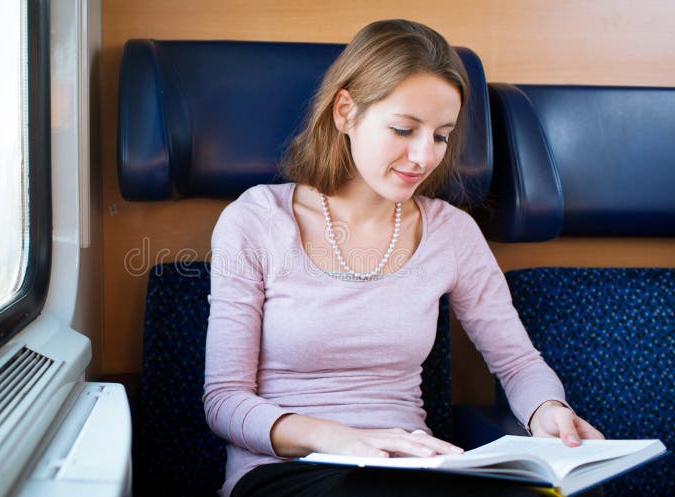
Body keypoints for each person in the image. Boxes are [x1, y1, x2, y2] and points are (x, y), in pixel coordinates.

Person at [203, 19, 604, 497]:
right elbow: (224, 402)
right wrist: (342, 439)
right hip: (287, 470)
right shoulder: (254, 220)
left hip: (410, 469)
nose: (423, 156)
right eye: (403, 129)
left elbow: (517, 363)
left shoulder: (451, 232)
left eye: (441, 135)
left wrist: (548, 412)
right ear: (346, 112)